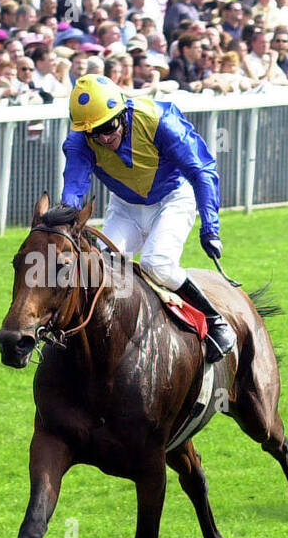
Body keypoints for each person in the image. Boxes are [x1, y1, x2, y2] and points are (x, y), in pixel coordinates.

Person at [58, 75, 235, 363]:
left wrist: (210, 227)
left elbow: (201, 169)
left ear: (123, 114)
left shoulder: (158, 119)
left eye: (108, 127)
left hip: (174, 198)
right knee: (94, 271)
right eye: (94, 133)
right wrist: (65, 228)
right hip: (125, 206)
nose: (104, 138)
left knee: (157, 263)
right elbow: (74, 190)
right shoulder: (79, 142)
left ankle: (216, 320)